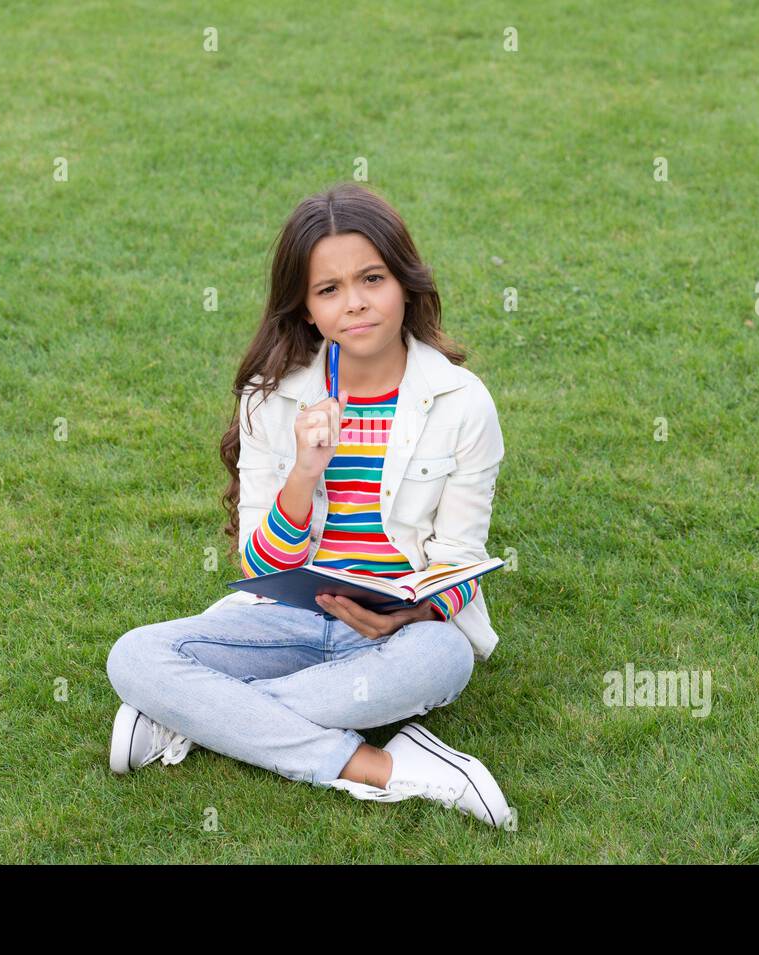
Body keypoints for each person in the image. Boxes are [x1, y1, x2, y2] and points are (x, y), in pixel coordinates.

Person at [106, 182, 510, 827]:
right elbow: (261, 567)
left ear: (404, 283)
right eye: (329, 290)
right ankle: (388, 766)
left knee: (445, 658)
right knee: (134, 655)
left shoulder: (462, 403)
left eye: (371, 278)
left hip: (399, 637)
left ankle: (191, 716)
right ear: (307, 310)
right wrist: (304, 471)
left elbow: (459, 556)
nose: (355, 304)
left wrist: (412, 616)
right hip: (288, 622)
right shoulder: (273, 400)